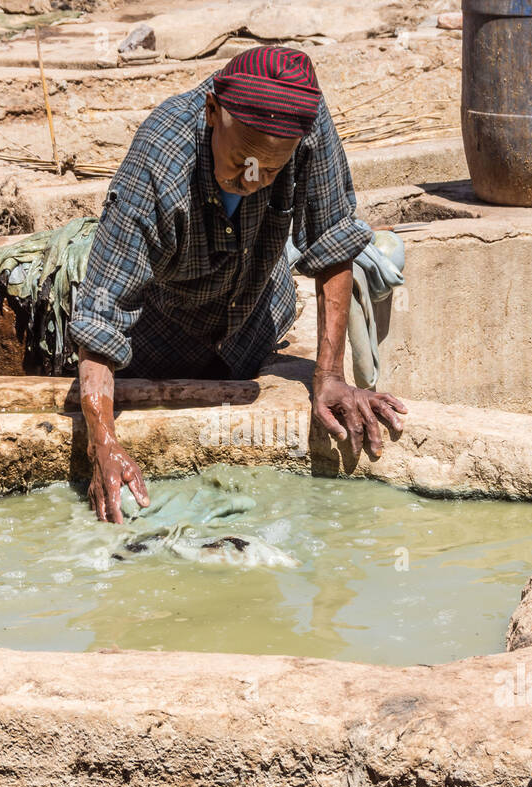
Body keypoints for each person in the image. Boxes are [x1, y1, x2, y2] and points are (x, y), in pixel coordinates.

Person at [69, 46, 407, 522]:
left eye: (270, 170)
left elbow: (331, 240)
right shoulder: (159, 163)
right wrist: (102, 440)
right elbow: (102, 317)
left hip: (251, 326)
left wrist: (330, 377)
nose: (252, 180)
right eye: (243, 162)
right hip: (159, 342)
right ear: (212, 114)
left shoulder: (304, 123)